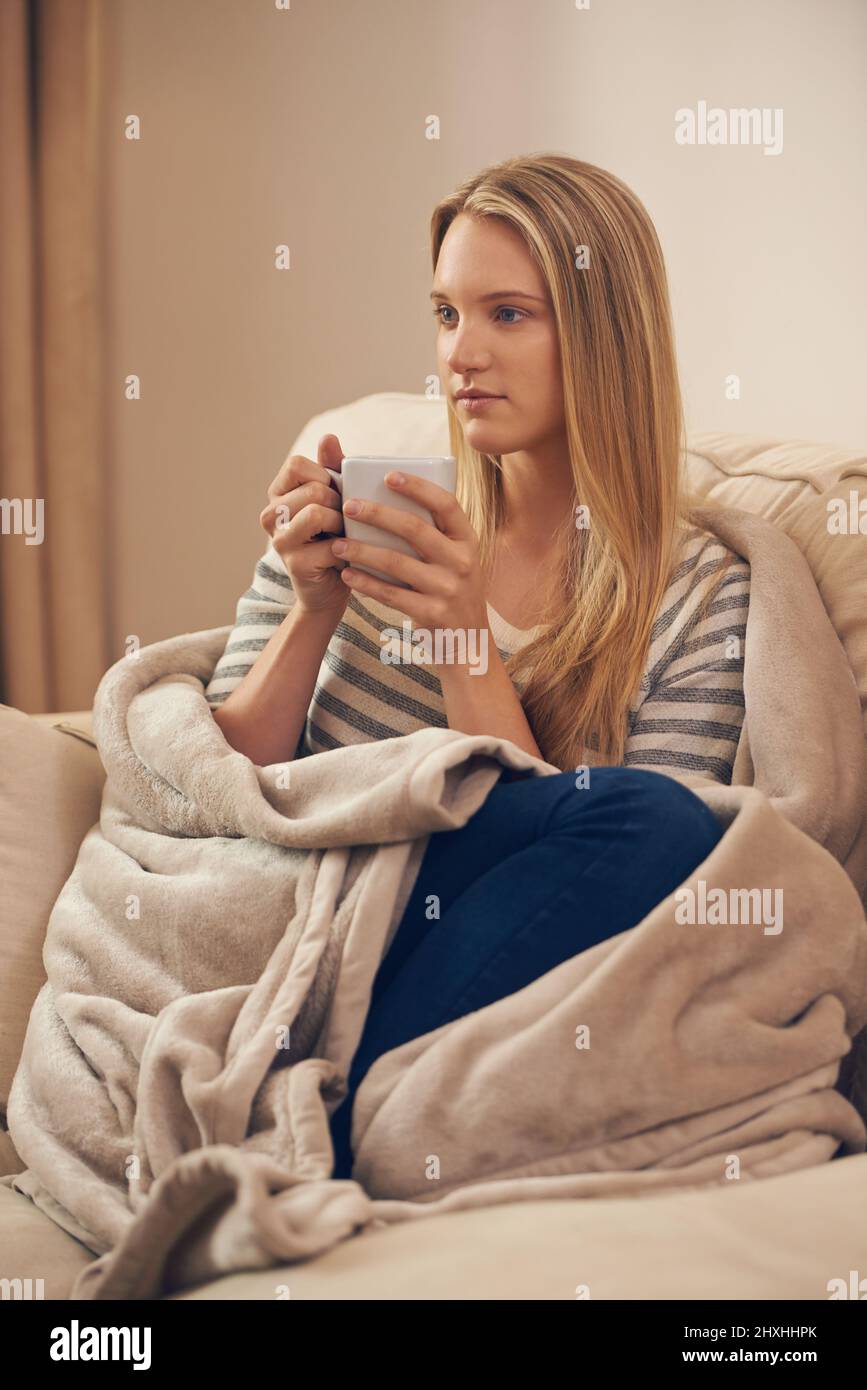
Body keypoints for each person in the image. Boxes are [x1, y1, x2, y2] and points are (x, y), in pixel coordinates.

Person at [204, 154, 750, 1178]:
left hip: (486, 950)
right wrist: (312, 612)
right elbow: (225, 786)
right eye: (447, 314)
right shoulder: (378, 507)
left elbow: (647, 886)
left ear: (603, 333)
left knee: (661, 818)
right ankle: (330, 1121)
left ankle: (333, 1115)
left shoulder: (698, 592)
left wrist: (464, 637)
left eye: (507, 314)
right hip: (317, 902)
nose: (461, 355)